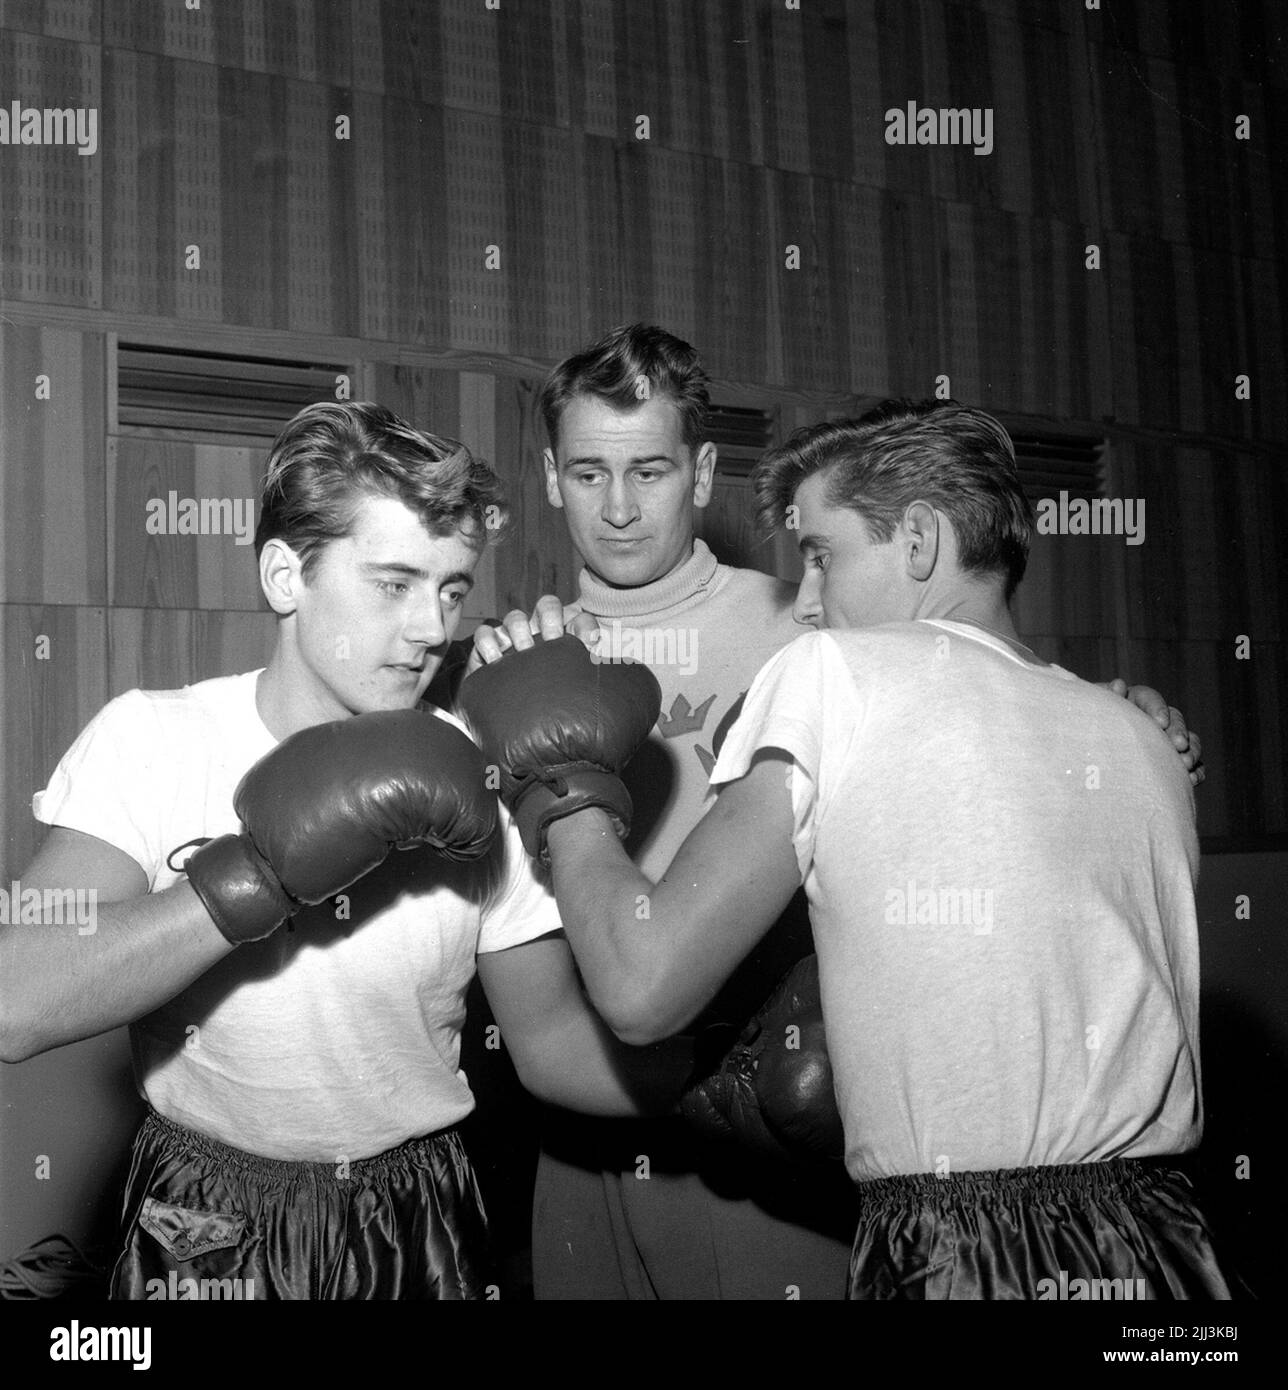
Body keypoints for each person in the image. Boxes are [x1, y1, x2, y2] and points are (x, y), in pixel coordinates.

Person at [468, 327, 1203, 1301]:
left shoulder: (820, 640)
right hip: (597, 1118)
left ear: (700, 472)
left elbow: (985, 717)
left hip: (803, 1136)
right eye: (588, 472)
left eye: (646, 469)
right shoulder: (517, 659)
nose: (617, 505)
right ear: (551, 478)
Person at [0, 401, 688, 1301]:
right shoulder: (154, 738)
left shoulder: (480, 765)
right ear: (287, 576)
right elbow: (17, 996)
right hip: (207, 1216)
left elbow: (551, 1040)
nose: (431, 629)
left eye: (450, 588)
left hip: (417, 1212)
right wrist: (250, 876)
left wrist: (721, 1083)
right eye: (393, 583)